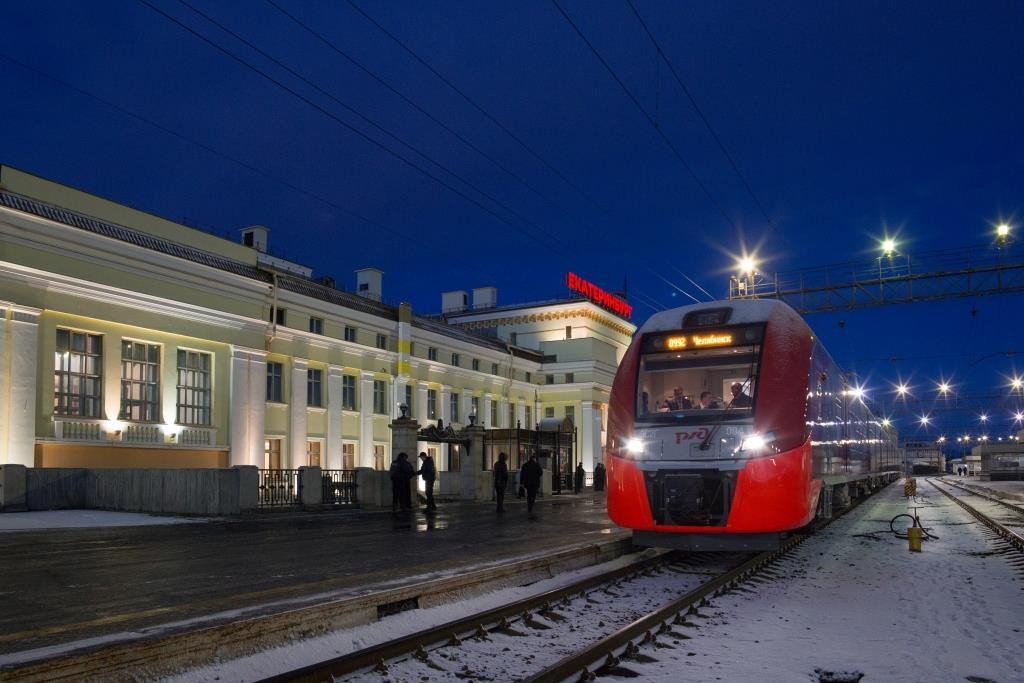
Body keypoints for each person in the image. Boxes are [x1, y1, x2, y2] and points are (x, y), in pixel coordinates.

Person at [520, 454, 543, 519]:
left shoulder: (525, 465)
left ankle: (529, 507)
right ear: (534, 459)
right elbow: (541, 473)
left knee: (529, 495)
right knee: (533, 496)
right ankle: (530, 507)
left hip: (527, 483)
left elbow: (522, 474)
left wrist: (521, 483)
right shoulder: (537, 465)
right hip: (535, 483)